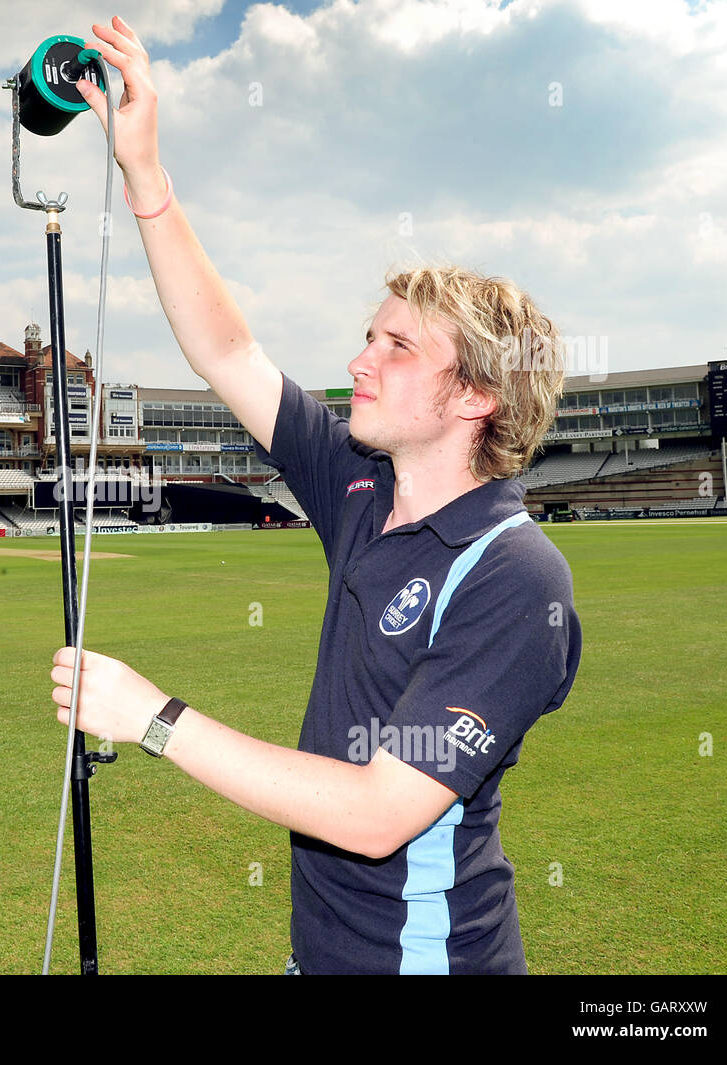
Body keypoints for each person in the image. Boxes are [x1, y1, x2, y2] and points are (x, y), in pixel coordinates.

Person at [49, 16, 582, 976]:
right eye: (367, 336)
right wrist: (145, 176)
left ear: (474, 398)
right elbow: (228, 352)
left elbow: (379, 813)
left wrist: (154, 717)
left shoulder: (513, 575)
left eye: (397, 346)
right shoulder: (361, 487)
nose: (358, 361)